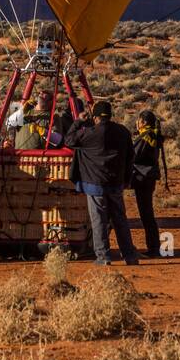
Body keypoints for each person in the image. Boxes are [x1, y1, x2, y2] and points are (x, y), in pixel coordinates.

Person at [66, 101, 138, 266]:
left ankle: (103, 257)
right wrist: (126, 180)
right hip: (116, 184)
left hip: (95, 184)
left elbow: (69, 140)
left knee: (98, 221)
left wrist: (78, 121)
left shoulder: (89, 133)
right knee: (120, 220)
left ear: (95, 117)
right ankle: (130, 256)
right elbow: (130, 157)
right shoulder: (123, 132)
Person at [131, 110, 169, 258]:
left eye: (138, 120)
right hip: (148, 177)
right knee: (147, 213)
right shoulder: (152, 135)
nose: (137, 123)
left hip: (143, 177)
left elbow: (134, 156)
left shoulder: (146, 136)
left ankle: (153, 248)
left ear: (144, 122)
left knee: (146, 214)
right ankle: (153, 247)